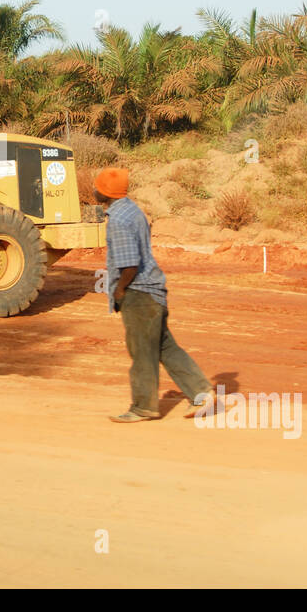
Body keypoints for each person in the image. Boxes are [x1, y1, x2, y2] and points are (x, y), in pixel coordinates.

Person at [94, 168, 213, 423]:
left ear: (104, 192)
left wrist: (119, 290)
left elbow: (129, 265)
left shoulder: (118, 220)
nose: (93, 190)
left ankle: (143, 407)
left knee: (141, 351)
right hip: (154, 288)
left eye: (96, 186)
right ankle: (202, 394)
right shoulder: (133, 209)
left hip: (139, 293)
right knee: (164, 346)